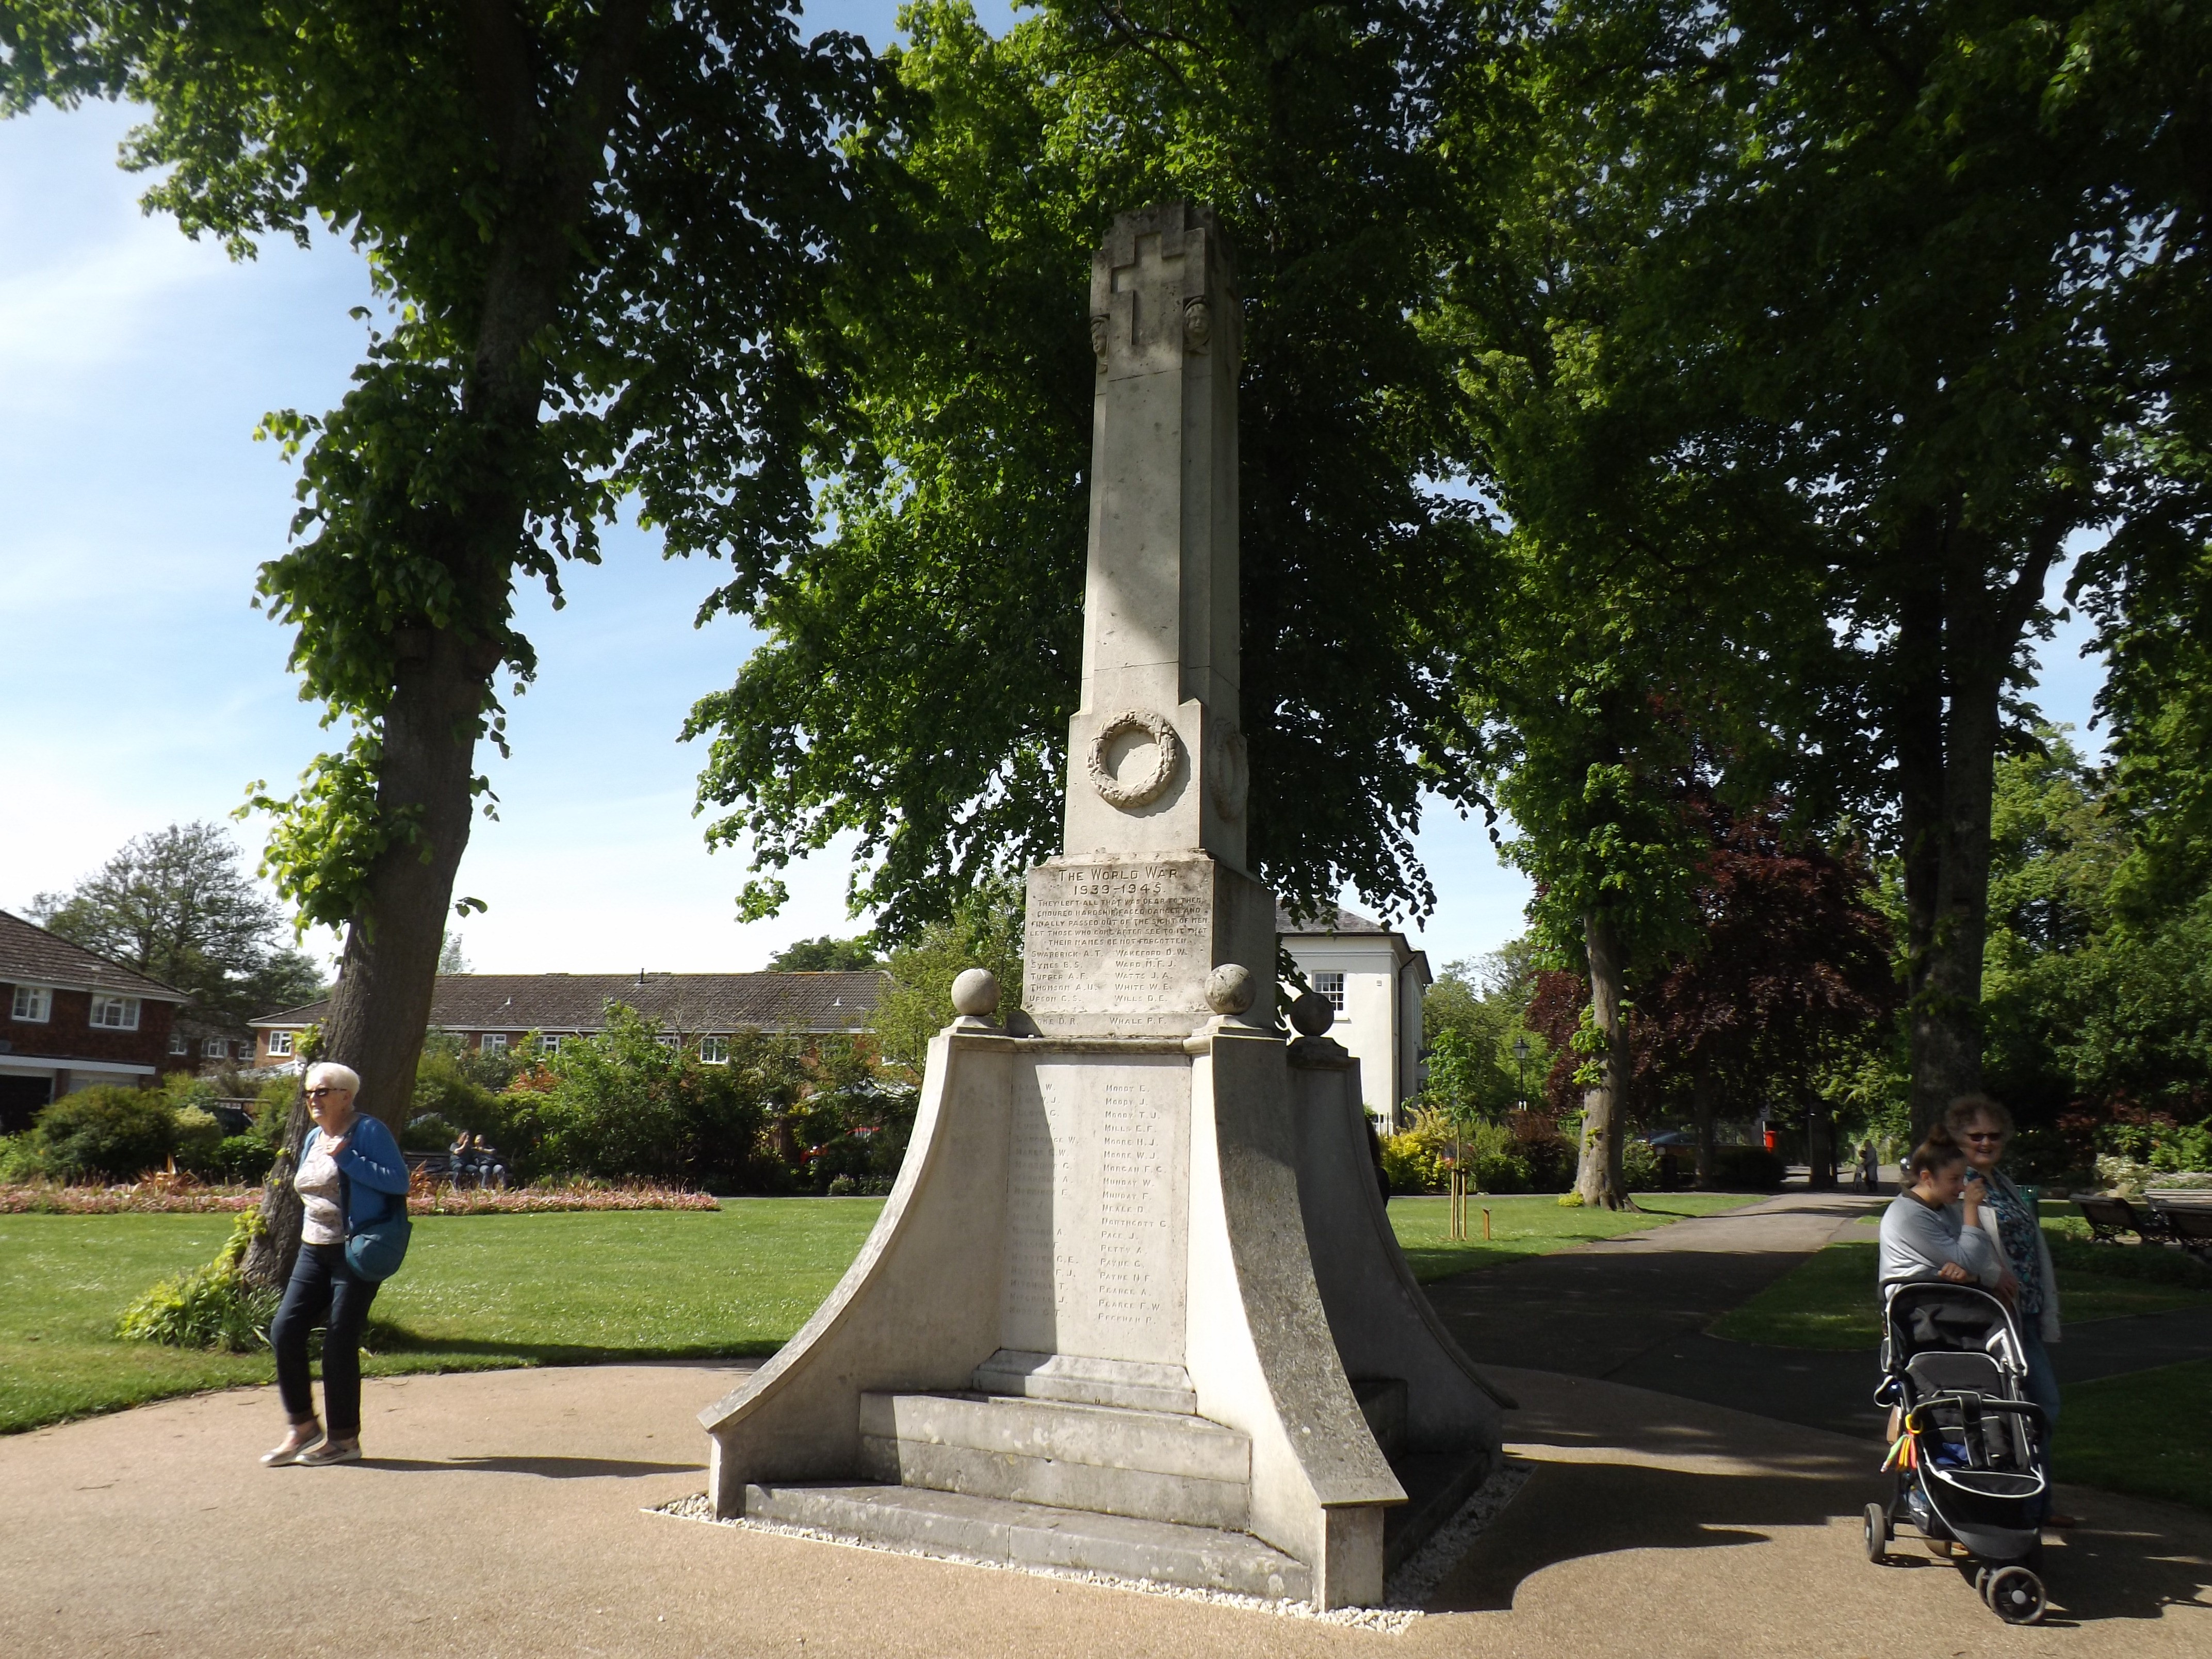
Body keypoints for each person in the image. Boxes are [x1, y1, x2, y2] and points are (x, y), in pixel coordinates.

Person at [262, 1062, 410, 1468]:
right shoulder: (314, 1136)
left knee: (340, 1341)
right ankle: (304, 1426)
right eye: (309, 1092)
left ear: (346, 1096)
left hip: (355, 1249)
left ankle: (344, 1440)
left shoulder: (368, 1131)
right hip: (314, 1248)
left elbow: (398, 1181)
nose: (313, 1099)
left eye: (322, 1091)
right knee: (285, 1330)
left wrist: (348, 1158)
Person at [1942, 1093, 2072, 1523]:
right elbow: (1952, 1251)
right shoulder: (1958, 1187)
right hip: (1993, 1318)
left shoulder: (2001, 1182)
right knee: (2032, 1407)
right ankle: (2017, 1505)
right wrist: (1987, 1275)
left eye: (1994, 1136)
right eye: (1975, 1135)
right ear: (1957, 1138)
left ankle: (2037, 1504)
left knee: (2035, 1408)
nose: (1986, 1143)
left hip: (2025, 1313)